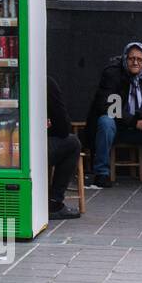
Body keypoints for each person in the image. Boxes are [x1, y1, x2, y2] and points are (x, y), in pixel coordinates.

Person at [83, 41, 142, 188]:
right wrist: (134, 122)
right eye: (131, 58)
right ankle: (102, 173)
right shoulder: (112, 73)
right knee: (105, 121)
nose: (135, 62)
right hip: (118, 128)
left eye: (139, 59)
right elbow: (107, 105)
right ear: (125, 59)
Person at [46, 78, 81, 220]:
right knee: (73, 143)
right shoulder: (44, 81)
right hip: (28, 149)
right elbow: (63, 128)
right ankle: (54, 203)